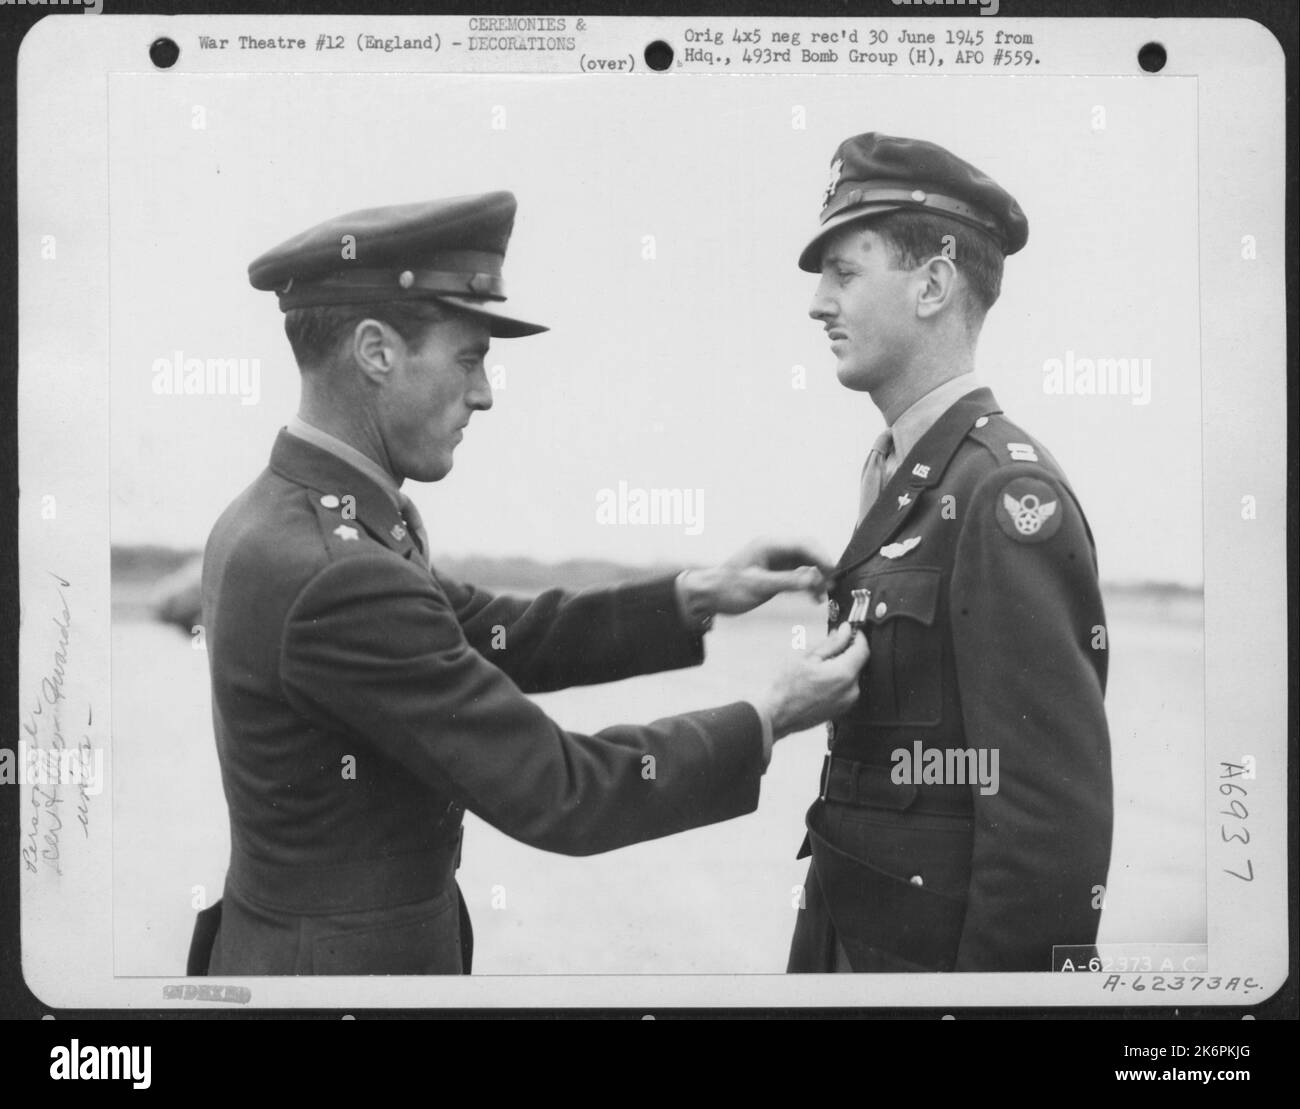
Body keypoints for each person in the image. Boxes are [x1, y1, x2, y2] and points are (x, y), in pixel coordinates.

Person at [189, 191, 868, 976]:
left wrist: (700, 591)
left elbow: (499, 632)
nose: (483, 394)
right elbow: (560, 788)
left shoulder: (299, 515)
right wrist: (770, 714)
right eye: (469, 358)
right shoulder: (335, 568)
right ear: (376, 351)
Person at [787, 134, 1113, 973]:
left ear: (932, 283)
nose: (817, 303)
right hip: (855, 940)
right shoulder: (900, 471)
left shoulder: (1000, 496)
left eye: (845, 272)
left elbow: (1048, 820)